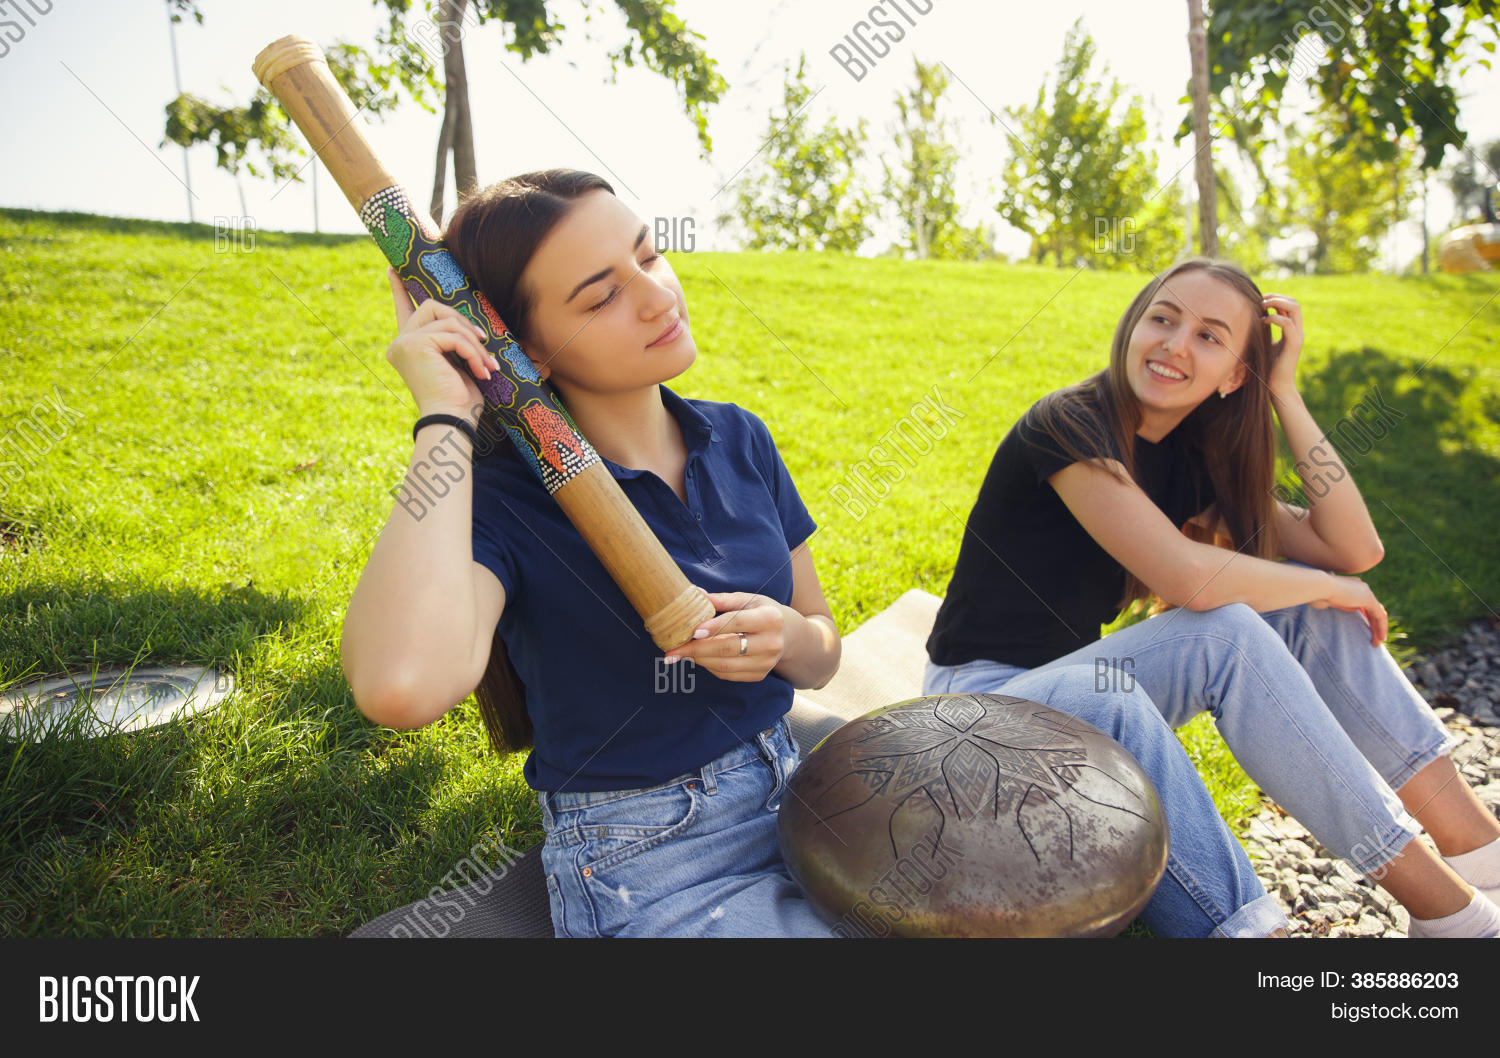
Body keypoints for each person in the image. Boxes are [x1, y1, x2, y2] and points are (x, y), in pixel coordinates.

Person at [340, 171, 1281, 937]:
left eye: (649, 255)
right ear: (524, 349)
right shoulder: (506, 503)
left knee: (1103, 710)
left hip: (812, 791)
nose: (656, 295)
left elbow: (823, 648)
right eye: (603, 295)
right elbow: (401, 687)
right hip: (658, 864)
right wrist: (444, 416)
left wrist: (785, 637)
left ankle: (1247, 944)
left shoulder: (737, 440)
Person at [924, 257, 1500, 938]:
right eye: (1163, 319)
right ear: (1133, 327)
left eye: (1208, 336)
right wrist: (1330, 584)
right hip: (982, 709)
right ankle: (1444, 910)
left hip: (1078, 693)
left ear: (1234, 376)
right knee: (1230, 628)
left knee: (1304, 609)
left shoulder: (1189, 458)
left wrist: (1285, 393)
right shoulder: (1068, 425)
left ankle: (1478, 852)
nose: (1174, 344)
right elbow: (1187, 578)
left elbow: (1354, 549)